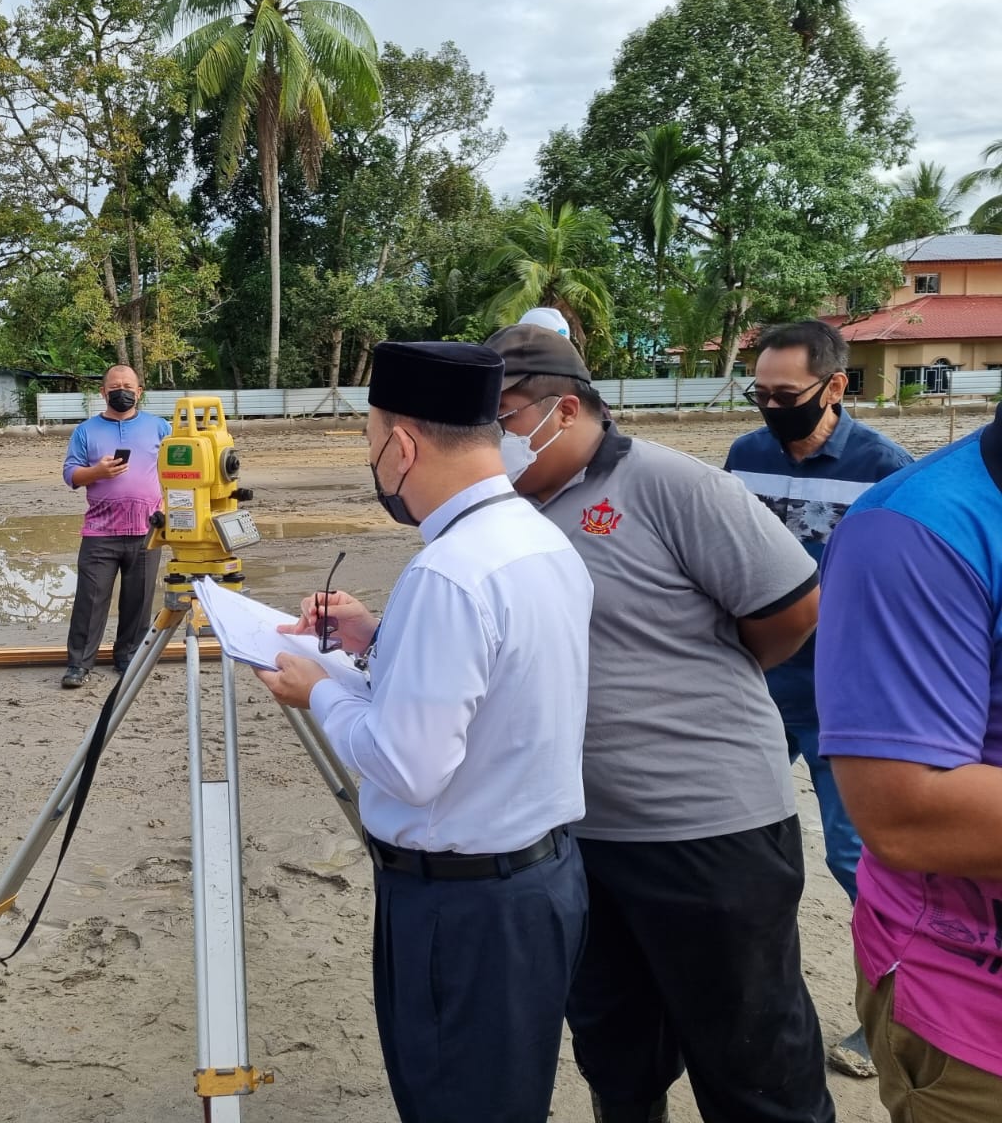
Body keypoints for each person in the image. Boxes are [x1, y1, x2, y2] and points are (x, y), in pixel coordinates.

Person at [484, 322, 834, 1123]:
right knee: (617, 1052)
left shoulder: (675, 486)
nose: (485, 441)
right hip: (577, 834)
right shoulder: (505, 511)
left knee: (753, 1063)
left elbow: (788, 611)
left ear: (563, 409)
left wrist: (687, 688)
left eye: (497, 420)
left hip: (709, 835)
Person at [254, 341, 592, 1123]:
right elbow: (496, 691)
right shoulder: (538, 540)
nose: (375, 464)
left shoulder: (450, 573)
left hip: (466, 910)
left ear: (402, 447)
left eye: (372, 444)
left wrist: (319, 692)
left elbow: (409, 767)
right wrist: (376, 642)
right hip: (537, 886)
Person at [723, 318, 912, 1076]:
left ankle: (890, 1016)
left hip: (848, 702)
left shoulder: (887, 470)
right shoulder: (743, 457)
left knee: (859, 861)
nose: (770, 407)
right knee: (742, 852)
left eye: (786, 394)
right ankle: (751, 1000)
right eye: (759, 393)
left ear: (835, 386)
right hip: (757, 691)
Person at [815, 401, 1002, 1121]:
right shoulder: (913, 526)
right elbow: (910, 815)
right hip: (977, 1008)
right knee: (843, 840)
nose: (772, 407)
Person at [59, 365, 170, 690]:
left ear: (139, 391)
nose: (121, 391)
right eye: (114, 386)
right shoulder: (85, 431)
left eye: (128, 385)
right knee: (90, 600)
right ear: (103, 392)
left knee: (140, 600)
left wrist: (167, 507)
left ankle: (129, 657)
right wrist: (98, 472)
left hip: (147, 531)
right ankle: (78, 664)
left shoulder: (159, 427)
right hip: (100, 531)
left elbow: (178, 469)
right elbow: (70, 475)